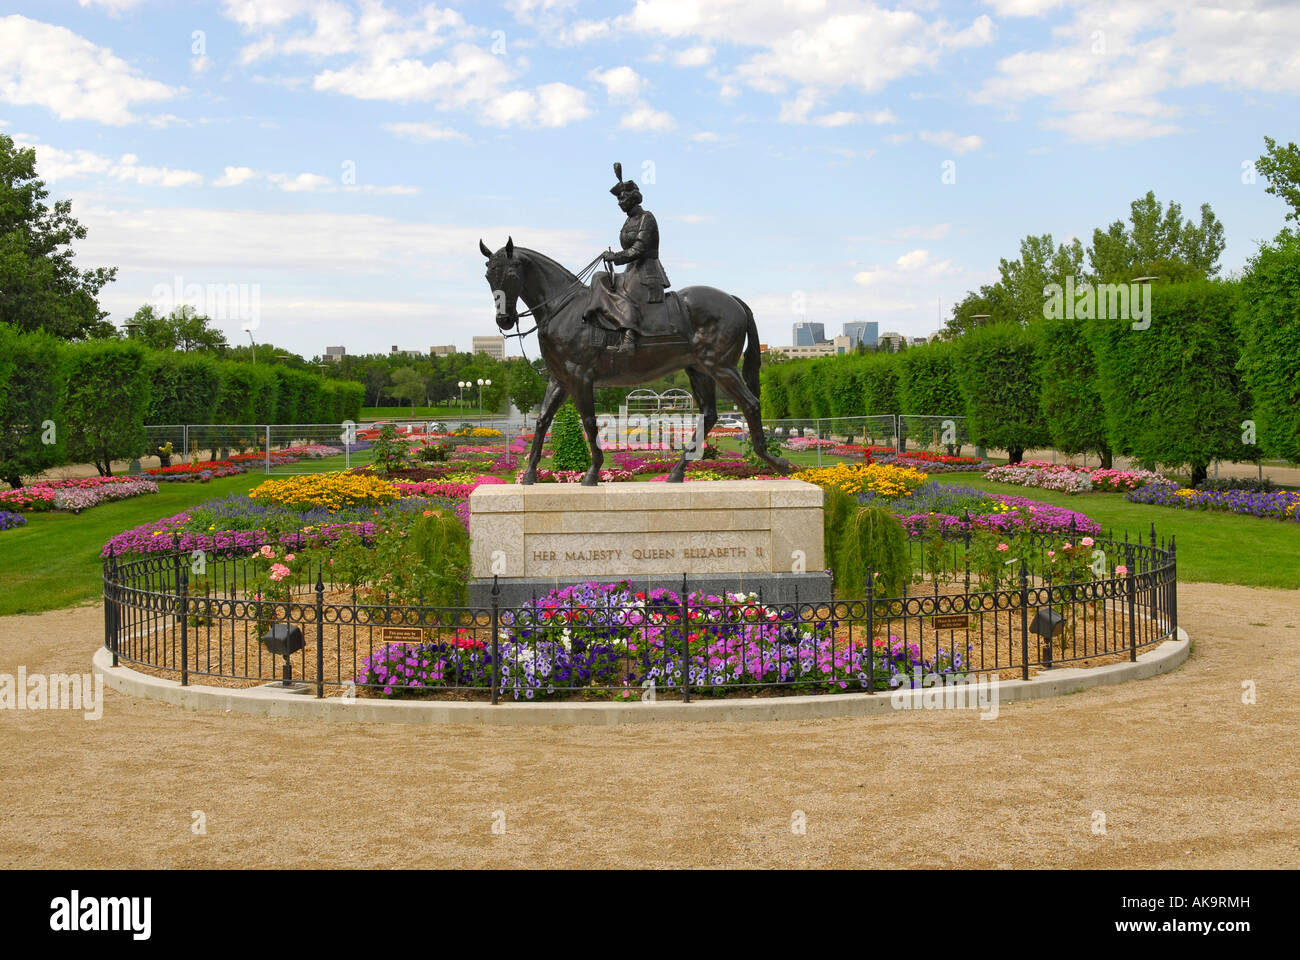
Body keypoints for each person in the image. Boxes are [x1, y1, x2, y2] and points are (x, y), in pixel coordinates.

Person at [584, 164, 671, 352]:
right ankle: (597, 322)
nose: (619, 202)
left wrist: (615, 256)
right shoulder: (629, 221)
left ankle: (629, 338)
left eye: (621, 198)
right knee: (599, 278)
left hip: (647, 272)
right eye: (618, 199)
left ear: (632, 198)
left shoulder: (647, 218)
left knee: (625, 294)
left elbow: (639, 248)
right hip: (631, 270)